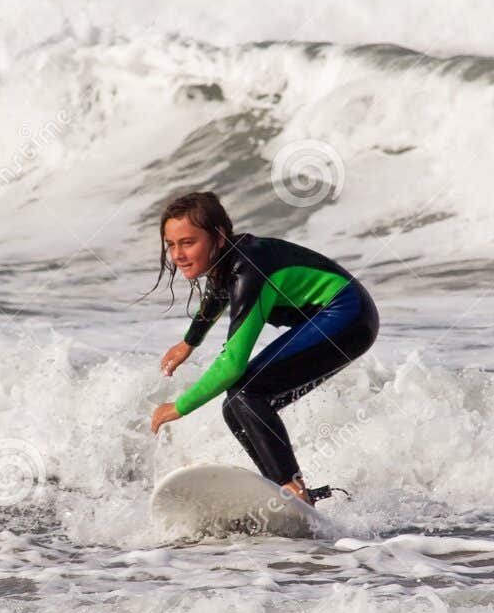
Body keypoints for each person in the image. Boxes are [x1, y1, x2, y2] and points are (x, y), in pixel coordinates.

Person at [147, 190, 379, 504]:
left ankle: (293, 489)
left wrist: (178, 407)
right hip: (336, 318)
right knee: (236, 407)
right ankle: (285, 490)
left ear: (218, 237)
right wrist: (189, 343)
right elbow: (217, 294)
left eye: (188, 243)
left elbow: (232, 365)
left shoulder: (249, 270)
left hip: (347, 316)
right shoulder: (228, 261)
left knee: (246, 392)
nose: (178, 255)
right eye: (171, 245)